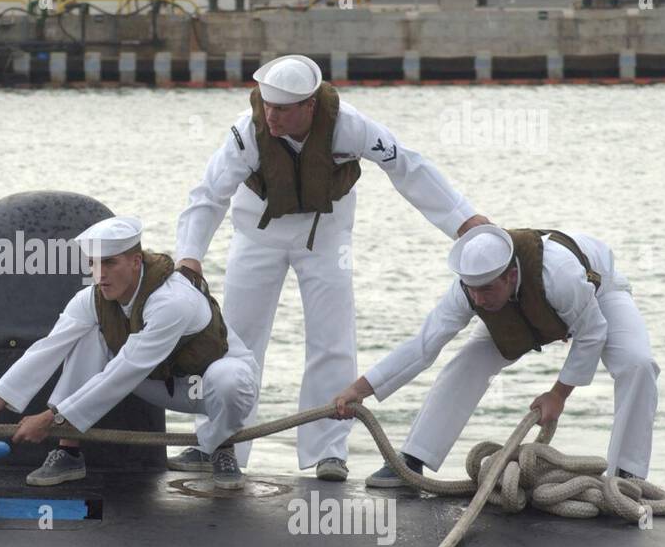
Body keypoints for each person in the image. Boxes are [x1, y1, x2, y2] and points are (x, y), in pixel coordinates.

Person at [173, 53, 487, 481]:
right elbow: (208, 195)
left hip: (326, 238)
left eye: (282, 109)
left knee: (333, 339)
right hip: (257, 237)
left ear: (310, 106)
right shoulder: (247, 134)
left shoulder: (351, 126)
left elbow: (407, 165)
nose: (272, 116)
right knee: (237, 341)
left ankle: (328, 451)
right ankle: (218, 442)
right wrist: (190, 255)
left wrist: (462, 220)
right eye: (267, 106)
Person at [332, 225, 657, 486]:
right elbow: (424, 345)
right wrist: (359, 390)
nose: (478, 298)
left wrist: (558, 395)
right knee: (467, 361)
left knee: (638, 364)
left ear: (510, 276)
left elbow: (592, 332)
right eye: (471, 289)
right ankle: (412, 461)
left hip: (600, 290)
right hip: (519, 309)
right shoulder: (470, 290)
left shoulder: (561, 276)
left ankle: (627, 474)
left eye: (485, 289)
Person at [0, 216, 260, 489]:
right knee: (85, 335)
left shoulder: (172, 301)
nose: (100, 274)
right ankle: (69, 451)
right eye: (93, 264)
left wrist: (51, 419)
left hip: (206, 388)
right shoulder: (92, 299)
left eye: (110, 262)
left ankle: (219, 445)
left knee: (227, 380)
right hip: (155, 383)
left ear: (136, 261)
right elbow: (44, 351)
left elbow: (125, 370)